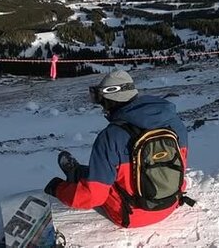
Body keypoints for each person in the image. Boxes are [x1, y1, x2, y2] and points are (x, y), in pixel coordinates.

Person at [44, 70, 191, 228]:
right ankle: (83, 174)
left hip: (132, 216)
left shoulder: (110, 137)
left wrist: (58, 188)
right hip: (170, 204)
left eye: (102, 100)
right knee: (113, 172)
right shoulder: (174, 123)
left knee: (98, 180)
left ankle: (78, 175)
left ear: (110, 100)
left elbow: (94, 197)